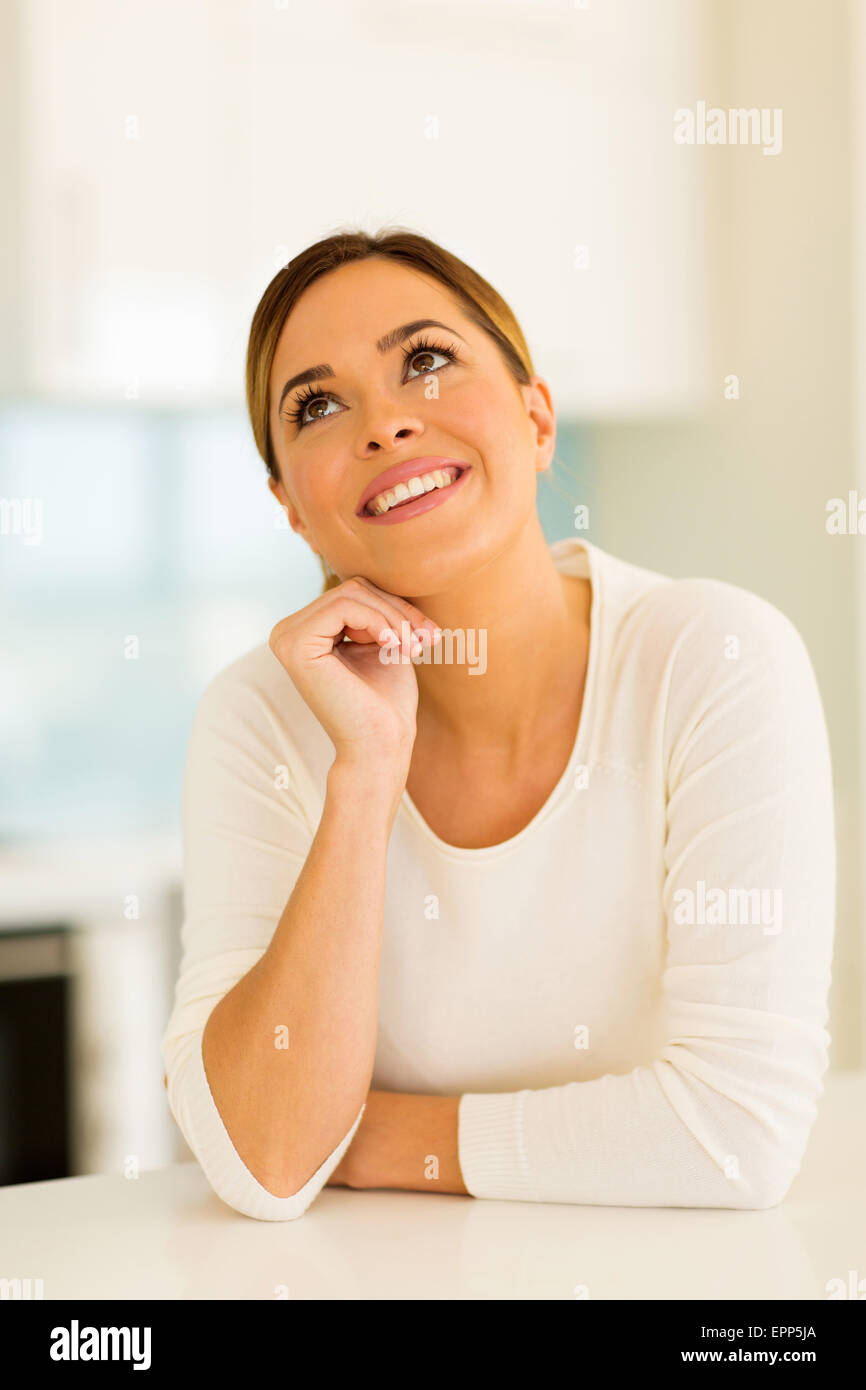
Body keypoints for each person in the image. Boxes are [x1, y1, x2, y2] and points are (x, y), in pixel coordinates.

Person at [161, 227, 835, 1221]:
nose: (384, 425)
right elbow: (264, 1160)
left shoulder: (712, 655)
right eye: (316, 404)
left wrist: (356, 1135)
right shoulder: (259, 715)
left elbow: (733, 1133)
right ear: (290, 510)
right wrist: (365, 773)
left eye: (424, 361)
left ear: (535, 417)